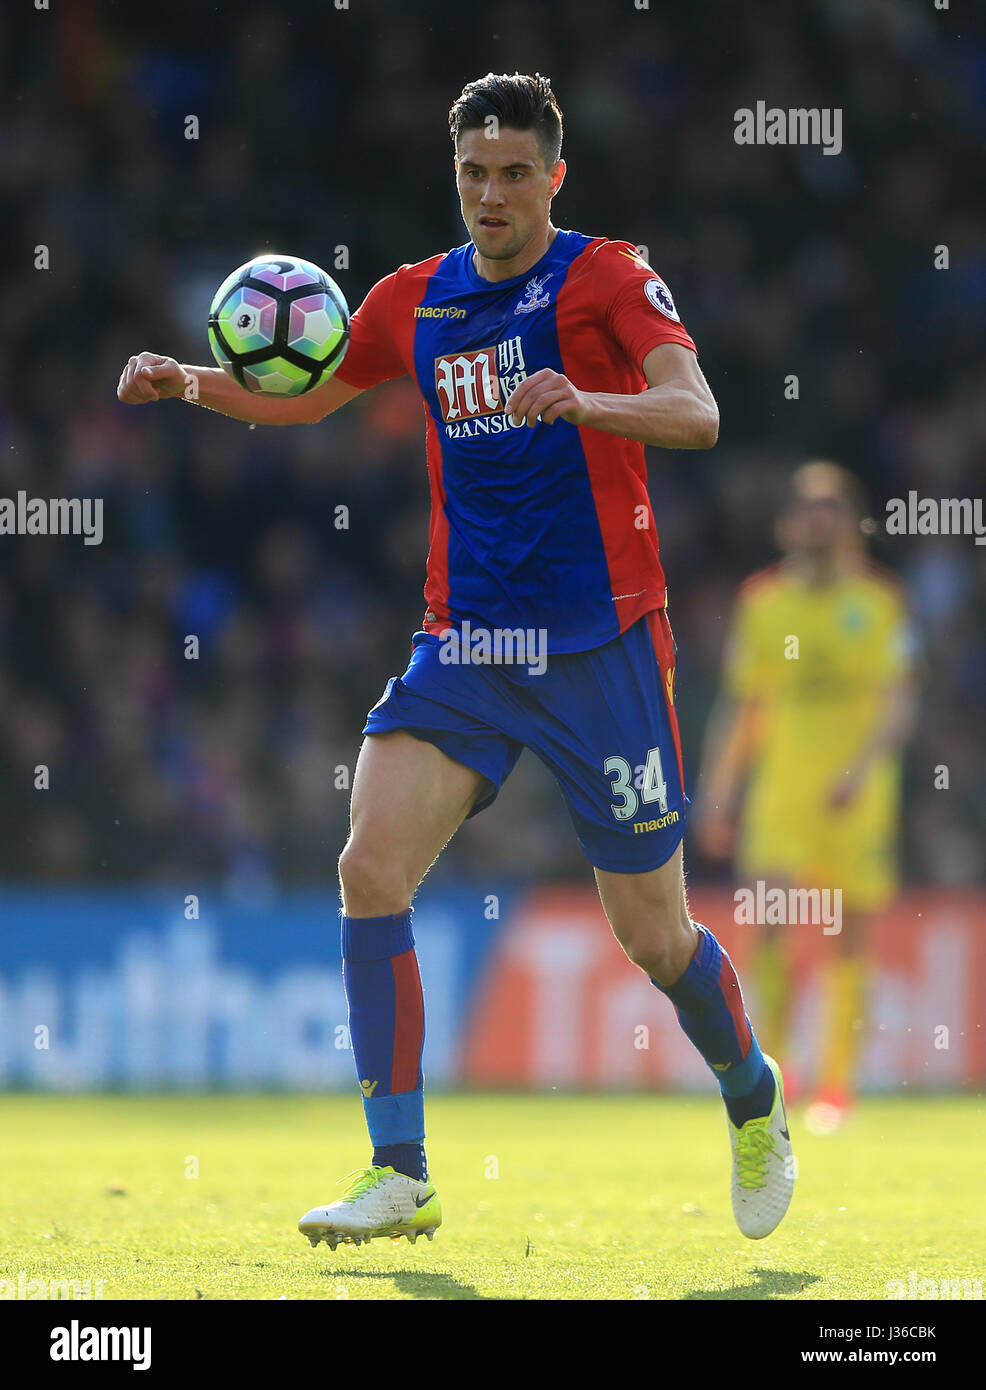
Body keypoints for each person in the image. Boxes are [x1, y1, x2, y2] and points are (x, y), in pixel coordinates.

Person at [118, 72, 793, 1247]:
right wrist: (195, 385)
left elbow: (697, 414)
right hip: (468, 640)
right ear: (455, 176)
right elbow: (314, 398)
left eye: (514, 173)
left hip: (602, 645)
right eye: (474, 173)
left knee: (652, 937)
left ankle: (749, 1094)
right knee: (369, 866)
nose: (491, 194)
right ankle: (400, 1169)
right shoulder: (413, 298)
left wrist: (587, 399)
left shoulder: (605, 277)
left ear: (554, 177)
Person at [696, 461, 915, 1128]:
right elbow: (745, 704)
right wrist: (717, 791)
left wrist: (863, 768)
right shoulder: (763, 602)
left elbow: (898, 701)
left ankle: (838, 1088)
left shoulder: (879, 603)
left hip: (858, 795)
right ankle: (776, 1073)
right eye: (807, 508)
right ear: (789, 523)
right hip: (782, 793)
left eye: (832, 508)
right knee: (770, 926)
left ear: (849, 523)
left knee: (850, 938)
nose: (819, 521)